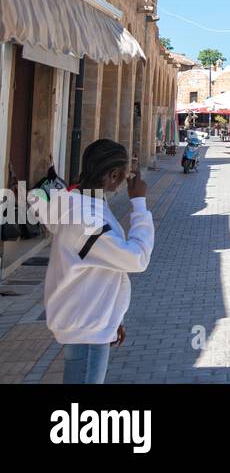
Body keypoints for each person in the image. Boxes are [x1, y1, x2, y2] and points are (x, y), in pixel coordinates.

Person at [41, 139, 154, 384]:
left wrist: (113, 318)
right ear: (113, 175)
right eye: (124, 175)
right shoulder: (86, 218)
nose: (126, 180)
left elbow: (98, 265)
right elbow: (137, 258)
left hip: (89, 322)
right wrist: (139, 203)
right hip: (86, 329)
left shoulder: (81, 204)